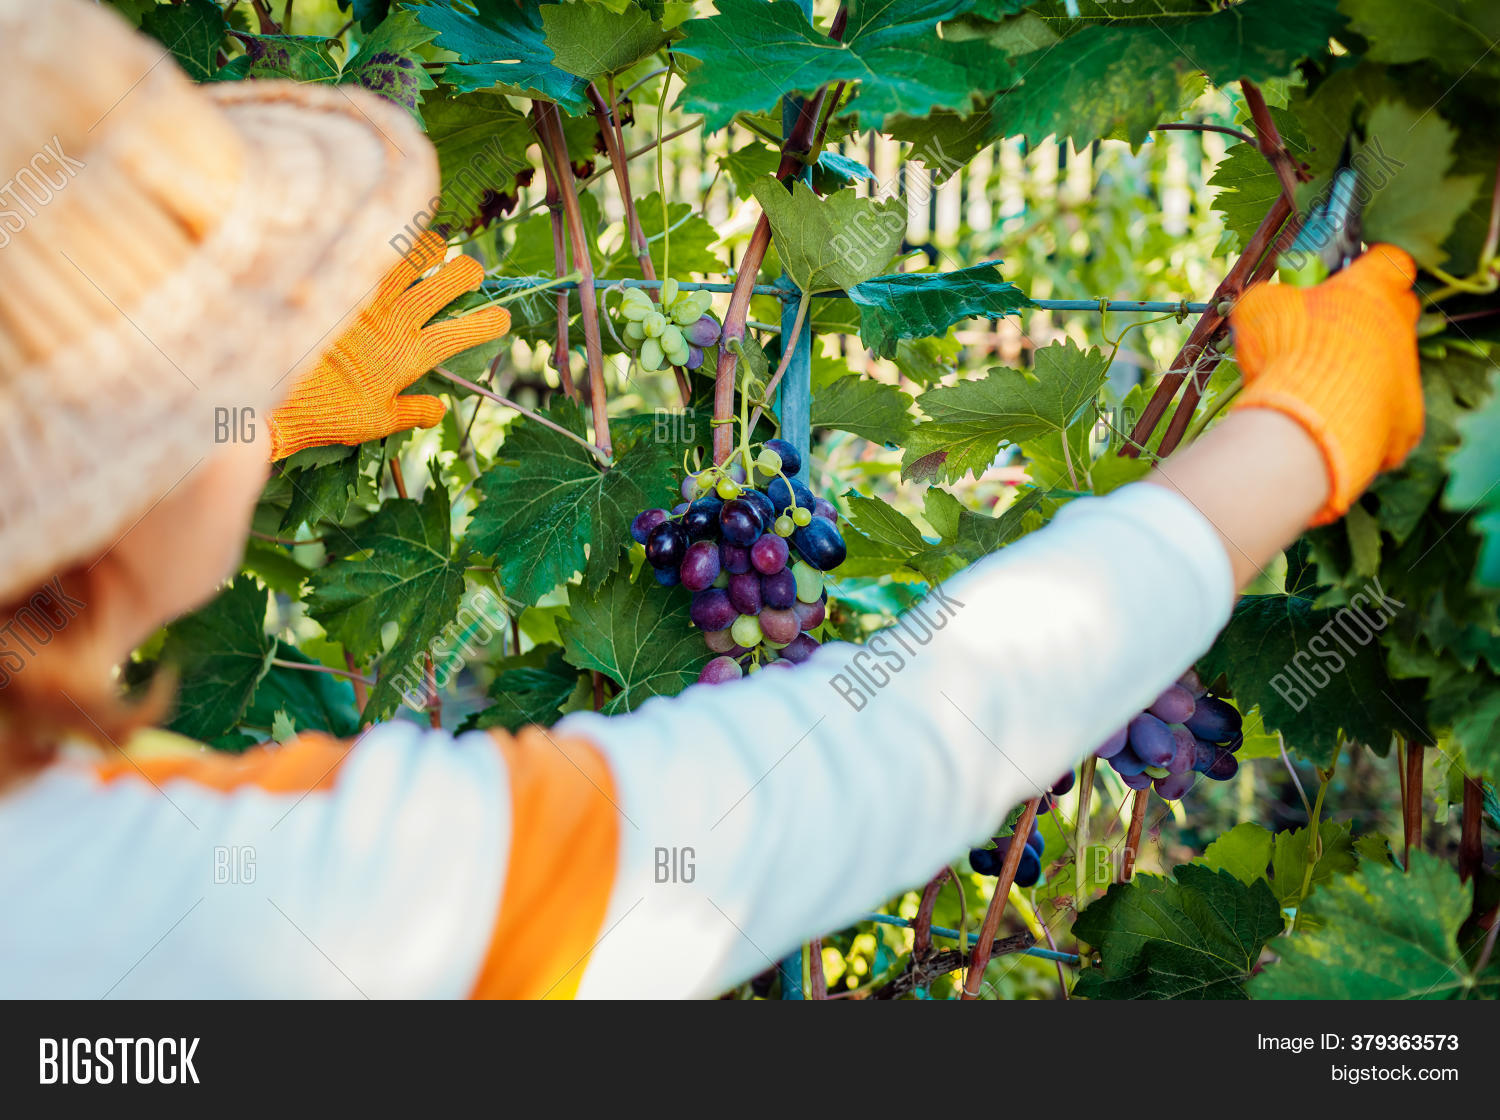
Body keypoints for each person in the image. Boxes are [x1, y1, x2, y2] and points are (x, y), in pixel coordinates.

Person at [0, 1, 1421, 999]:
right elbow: (827, 784)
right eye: (228, 349)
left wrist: (223, 423)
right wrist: (1289, 437)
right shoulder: (244, 904)